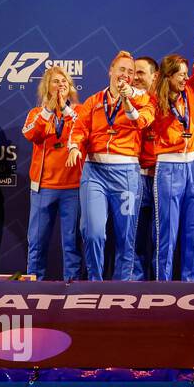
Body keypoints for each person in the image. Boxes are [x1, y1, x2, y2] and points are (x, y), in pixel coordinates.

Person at [66, 52, 155, 280]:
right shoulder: (94, 101)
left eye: (130, 72)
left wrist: (126, 100)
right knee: (93, 232)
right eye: (121, 70)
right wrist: (75, 147)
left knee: (127, 237)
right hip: (94, 173)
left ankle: (123, 286)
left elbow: (140, 122)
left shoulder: (143, 99)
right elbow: (79, 128)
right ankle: (95, 283)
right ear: (111, 71)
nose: (125, 75)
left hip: (126, 175)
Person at [150, 7, 194, 281]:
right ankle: (162, 286)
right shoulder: (154, 101)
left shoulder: (191, 91)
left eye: (185, 73)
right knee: (167, 231)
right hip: (168, 168)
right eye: (179, 74)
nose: (185, 77)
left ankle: (190, 283)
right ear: (167, 76)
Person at [21, 67, 82, 280]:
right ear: (47, 87)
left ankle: (72, 287)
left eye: (64, 81)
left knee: (71, 243)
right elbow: (30, 134)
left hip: (72, 188)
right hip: (42, 189)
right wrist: (48, 110)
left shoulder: (79, 112)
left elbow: (81, 128)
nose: (61, 84)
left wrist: (63, 107)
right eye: (56, 81)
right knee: (36, 243)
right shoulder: (37, 114)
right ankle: (33, 286)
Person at [132, 57, 158, 281]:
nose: (135, 78)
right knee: (134, 239)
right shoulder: (125, 103)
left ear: (154, 76)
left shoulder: (165, 102)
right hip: (135, 179)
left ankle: (161, 289)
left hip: (162, 178)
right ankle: (135, 290)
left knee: (161, 240)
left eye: (140, 73)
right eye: (133, 73)